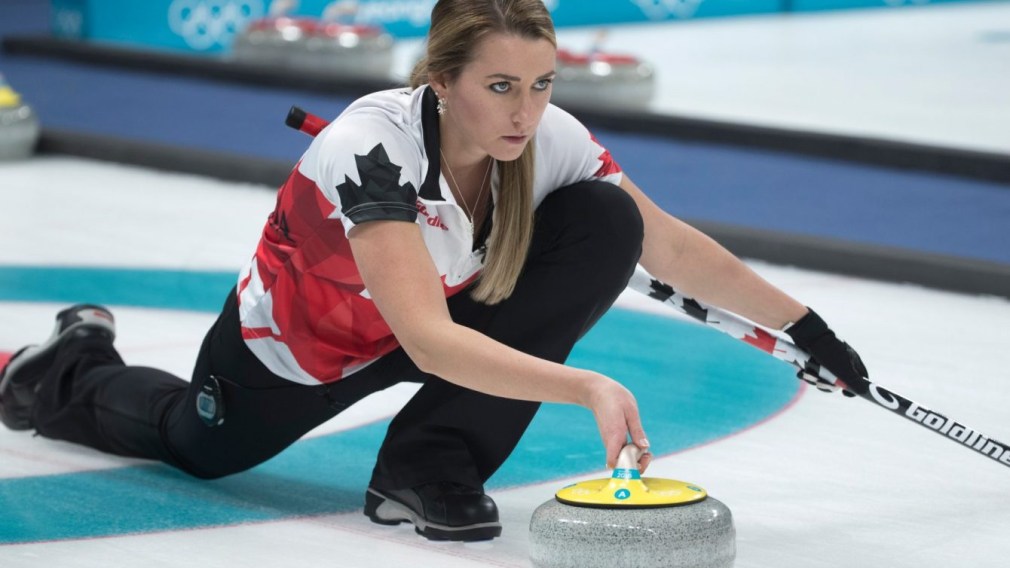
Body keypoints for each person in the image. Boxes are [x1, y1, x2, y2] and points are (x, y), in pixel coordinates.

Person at [0, 0, 868, 543]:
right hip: (299, 353)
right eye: (500, 86)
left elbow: (663, 242)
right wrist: (590, 388)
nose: (526, 110)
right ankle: (66, 366)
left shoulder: (540, 137)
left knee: (605, 218)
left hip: (438, 314)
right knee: (197, 448)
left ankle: (426, 469)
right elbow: (426, 339)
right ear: (443, 81)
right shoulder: (369, 151)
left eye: (541, 83)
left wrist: (805, 328)